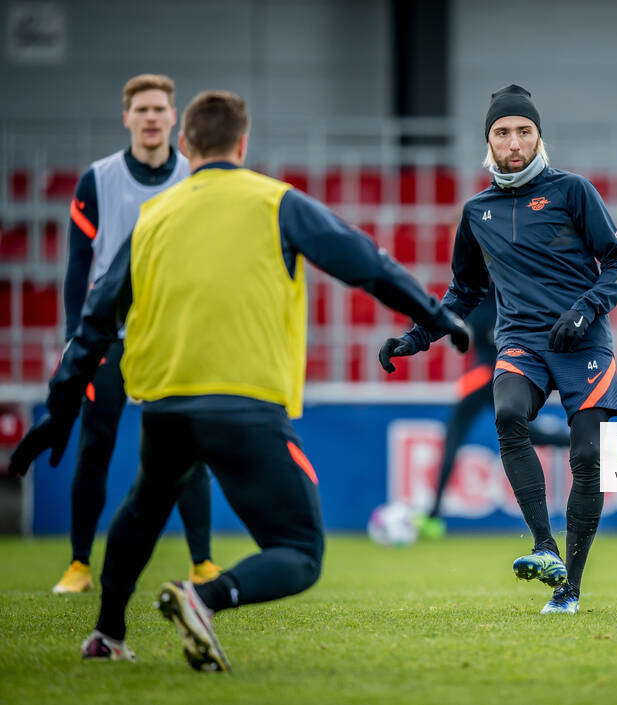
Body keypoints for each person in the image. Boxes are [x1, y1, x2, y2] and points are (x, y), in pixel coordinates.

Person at [10, 90, 469, 670]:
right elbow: (365, 263)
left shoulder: (154, 216)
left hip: (166, 405)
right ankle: (202, 598)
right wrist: (433, 313)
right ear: (243, 144)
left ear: (185, 144)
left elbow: (95, 320)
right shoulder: (276, 201)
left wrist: (58, 409)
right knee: (300, 551)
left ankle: (107, 632)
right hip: (244, 406)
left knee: (145, 505)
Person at [380, 85, 617, 613]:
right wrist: (416, 336)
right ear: (488, 141)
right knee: (508, 414)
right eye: (502, 133)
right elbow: (464, 292)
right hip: (520, 341)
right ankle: (545, 547)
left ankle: (571, 589)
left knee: (588, 455)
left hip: (582, 338)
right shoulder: (477, 212)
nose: (513, 142)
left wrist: (585, 309)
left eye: (523, 131)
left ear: (540, 137)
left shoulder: (573, 191)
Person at [54, 73, 217, 594]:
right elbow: (79, 266)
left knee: (188, 448)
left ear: (174, 119)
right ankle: (79, 565)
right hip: (111, 338)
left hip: (173, 335)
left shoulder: (196, 176)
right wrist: (73, 339)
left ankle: (202, 563)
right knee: (95, 444)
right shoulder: (96, 180)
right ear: (126, 117)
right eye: (141, 110)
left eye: (159, 109)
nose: (150, 117)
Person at [419, 288, 570, 541]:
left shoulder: (485, 300)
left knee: (455, 439)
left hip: (489, 377)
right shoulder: (506, 295)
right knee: (529, 435)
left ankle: (433, 515)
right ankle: (589, 442)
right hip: (502, 377)